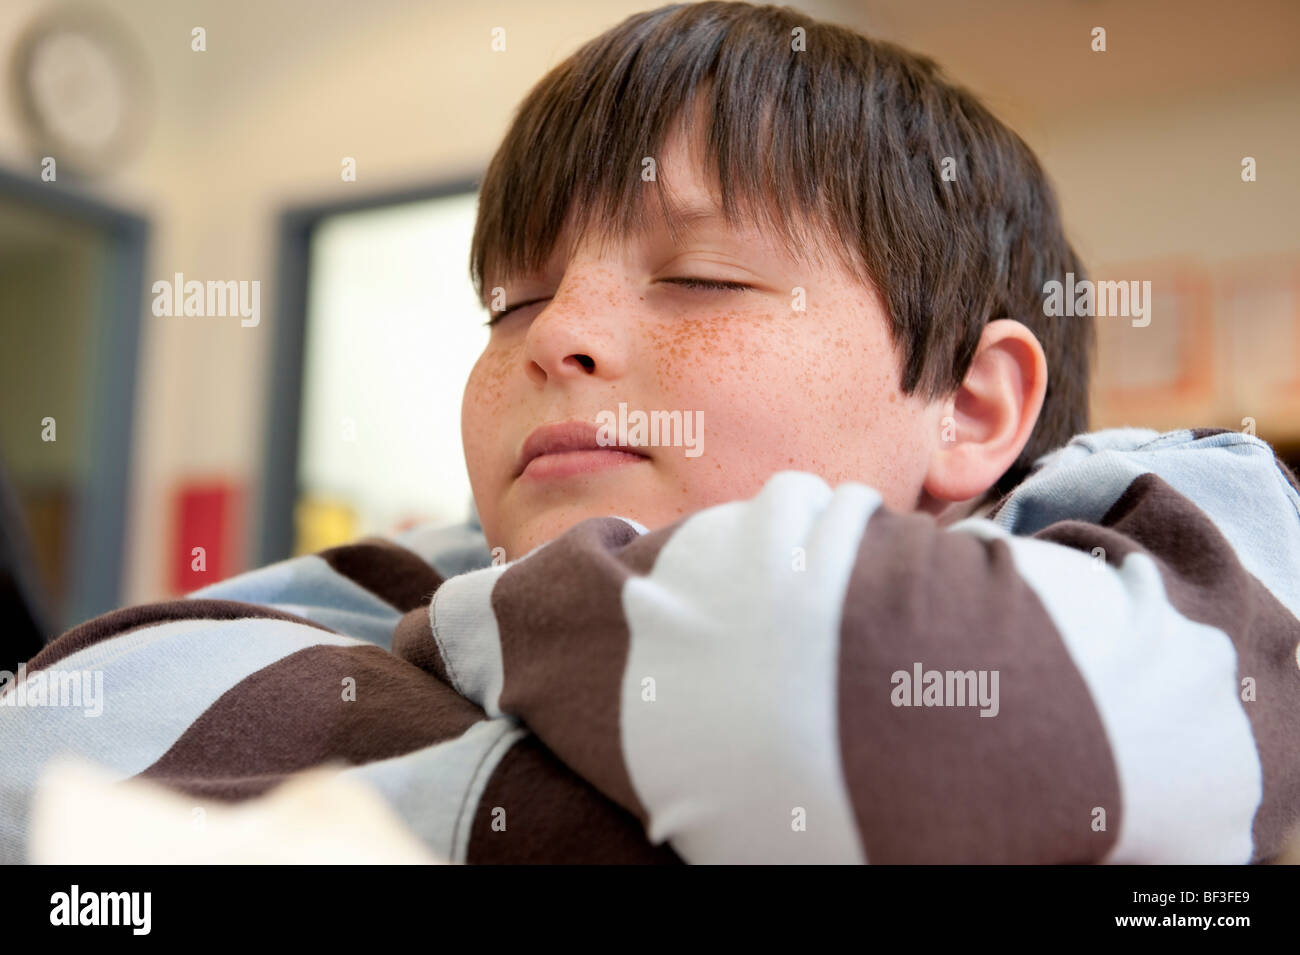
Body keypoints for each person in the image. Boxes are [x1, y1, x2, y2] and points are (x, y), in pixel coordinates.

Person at [3, 1, 1298, 864]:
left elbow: (887, 720)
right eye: (512, 298)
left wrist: (467, 657)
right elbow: (46, 777)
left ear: (970, 403)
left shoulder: (1168, 521)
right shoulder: (379, 588)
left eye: (699, 279)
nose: (551, 334)